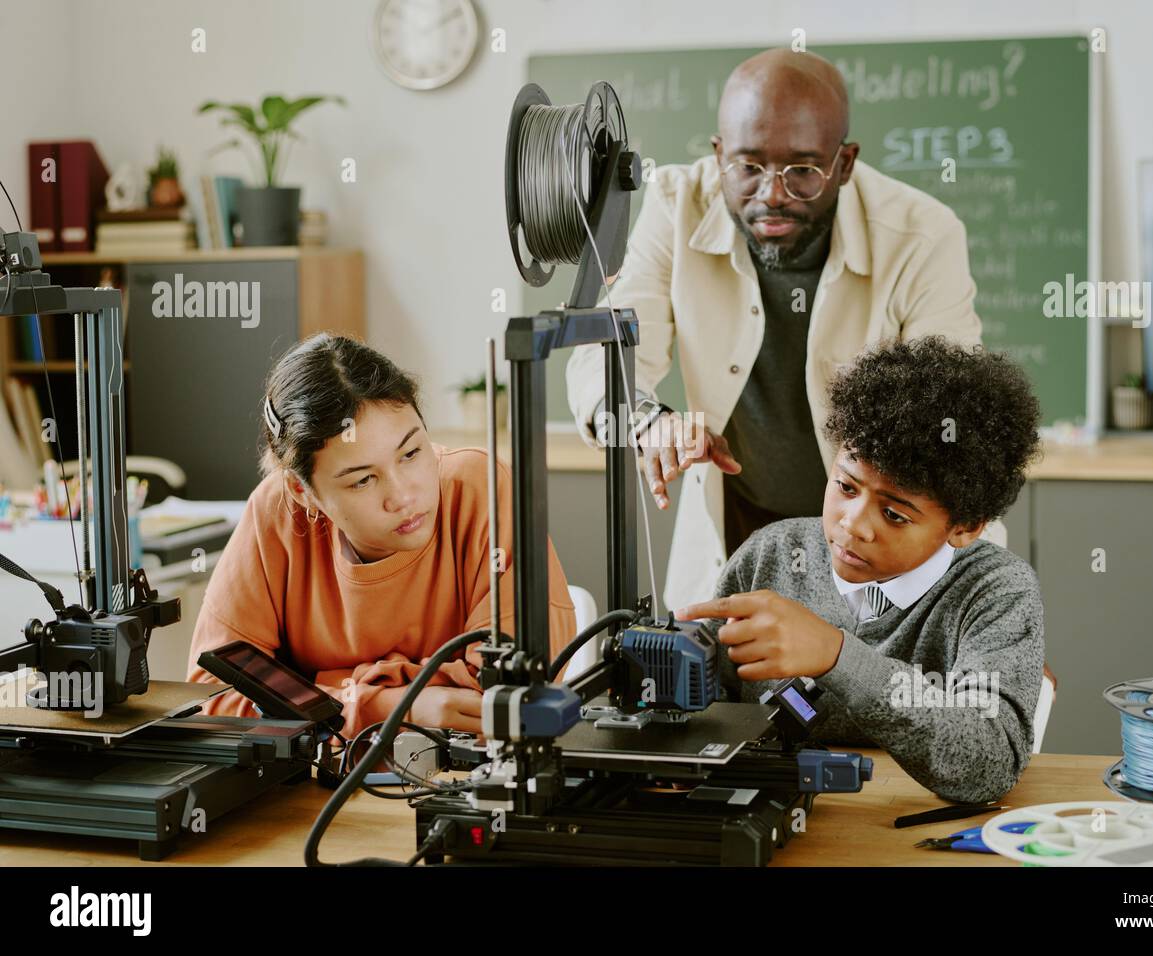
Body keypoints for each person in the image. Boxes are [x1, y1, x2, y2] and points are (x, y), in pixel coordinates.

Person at [566, 47, 982, 609]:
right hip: (739, 536)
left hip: (884, 544)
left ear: (846, 162)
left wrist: (983, 620)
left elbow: (950, 424)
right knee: (717, 694)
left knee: (867, 692)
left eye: (804, 170)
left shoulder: (922, 235)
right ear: (718, 156)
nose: (773, 194)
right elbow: (603, 349)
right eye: (748, 166)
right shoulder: (674, 204)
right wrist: (648, 422)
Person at [677, 338, 1043, 803]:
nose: (853, 525)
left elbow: (989, 763)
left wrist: (837, 656)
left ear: (966, 527)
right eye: (846, 487)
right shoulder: (773, 554)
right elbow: (703, 719)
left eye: (894, 515)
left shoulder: (994, 591)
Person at [186, 334, 576, 738]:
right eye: (362, 480)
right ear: (304, 492)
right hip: (319, 791)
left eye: (411, 453)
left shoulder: (484, 490)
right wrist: (390, 706)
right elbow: (211, 699)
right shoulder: (275, 513)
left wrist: (321, 695)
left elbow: (505, 694)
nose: (404, 496)